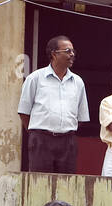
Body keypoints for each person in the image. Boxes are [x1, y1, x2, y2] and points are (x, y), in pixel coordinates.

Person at [18, 35, 89, 174]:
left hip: (68, 142)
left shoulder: (78, 82)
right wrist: (38, 133)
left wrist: (63, 130)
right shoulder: (35, 78)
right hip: (41, 141)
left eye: (73, 51)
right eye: (68, 51)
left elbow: (81, 117)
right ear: (54, 54)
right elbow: (24, 112)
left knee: (66, 186)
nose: (72, 55)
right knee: (40, 184)